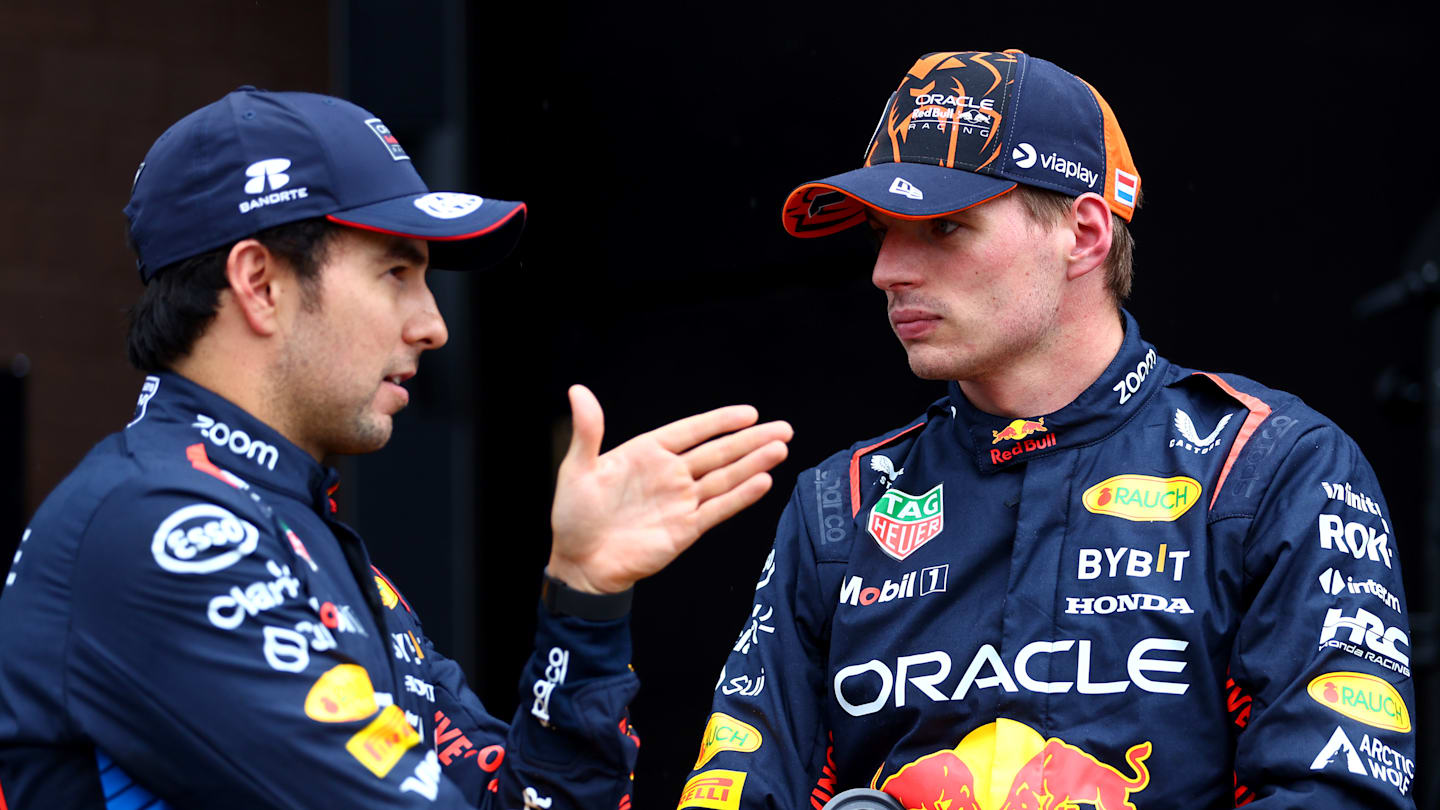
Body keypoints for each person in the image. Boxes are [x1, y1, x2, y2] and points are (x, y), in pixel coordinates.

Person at [0, 87, 792, 809]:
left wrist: (583, 599)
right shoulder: (154, 529)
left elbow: (516, 803)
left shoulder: (297, 531)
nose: (433, 324)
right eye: (395, 273)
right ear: (259, 284)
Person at [681, 50, 1416, 809]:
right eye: (880, 232)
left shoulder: (1268, 468)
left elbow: (1333, 794)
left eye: (941, 228)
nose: (886, 270)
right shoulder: (842, 504)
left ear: (1085, 233)